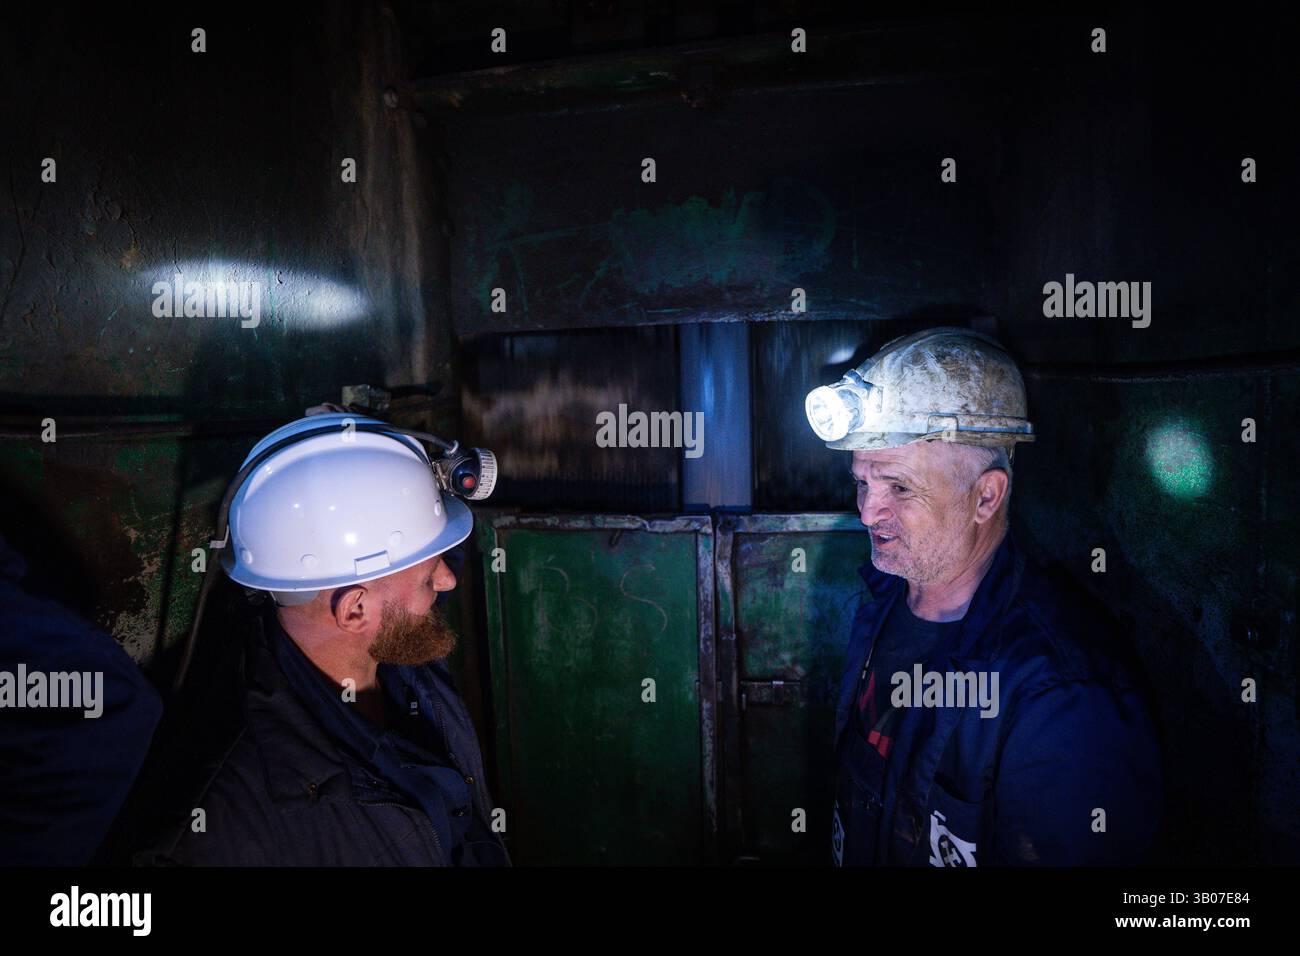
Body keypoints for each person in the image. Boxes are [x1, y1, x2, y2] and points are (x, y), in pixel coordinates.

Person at [805, 327, 1162, 866]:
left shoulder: (1060, 694)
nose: (867, 510)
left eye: (899, 487)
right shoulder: (880, 606)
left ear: (985, 496)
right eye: (863, 482)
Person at [137, 413, 508, 866]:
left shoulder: (404, 659)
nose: (448, 581)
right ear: (354, 610)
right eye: (431, 576)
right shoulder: (226, 826)